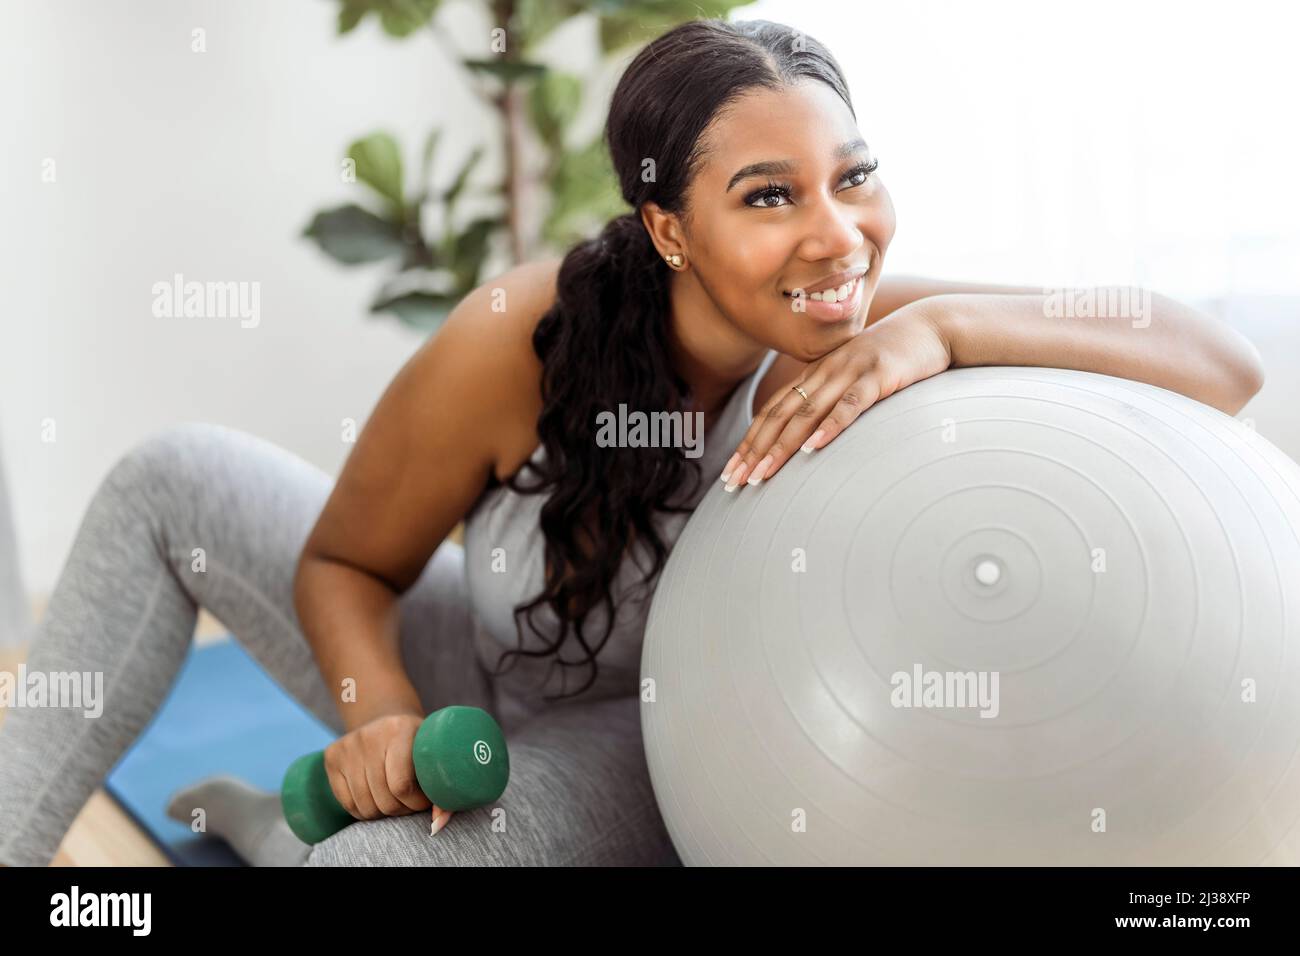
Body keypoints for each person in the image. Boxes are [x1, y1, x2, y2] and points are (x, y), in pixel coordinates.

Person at [0, 18, 1263, 867]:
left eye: (853, 175)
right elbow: (347, 565)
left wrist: (941, 329)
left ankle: (283, 833)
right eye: (767, 195)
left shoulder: (851, 314)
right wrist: (377, 717)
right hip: (476, 661)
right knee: (173, 474)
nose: (837, 235)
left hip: (647, 741)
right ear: (667, 228)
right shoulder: (515, 337)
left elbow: (1224, 360)